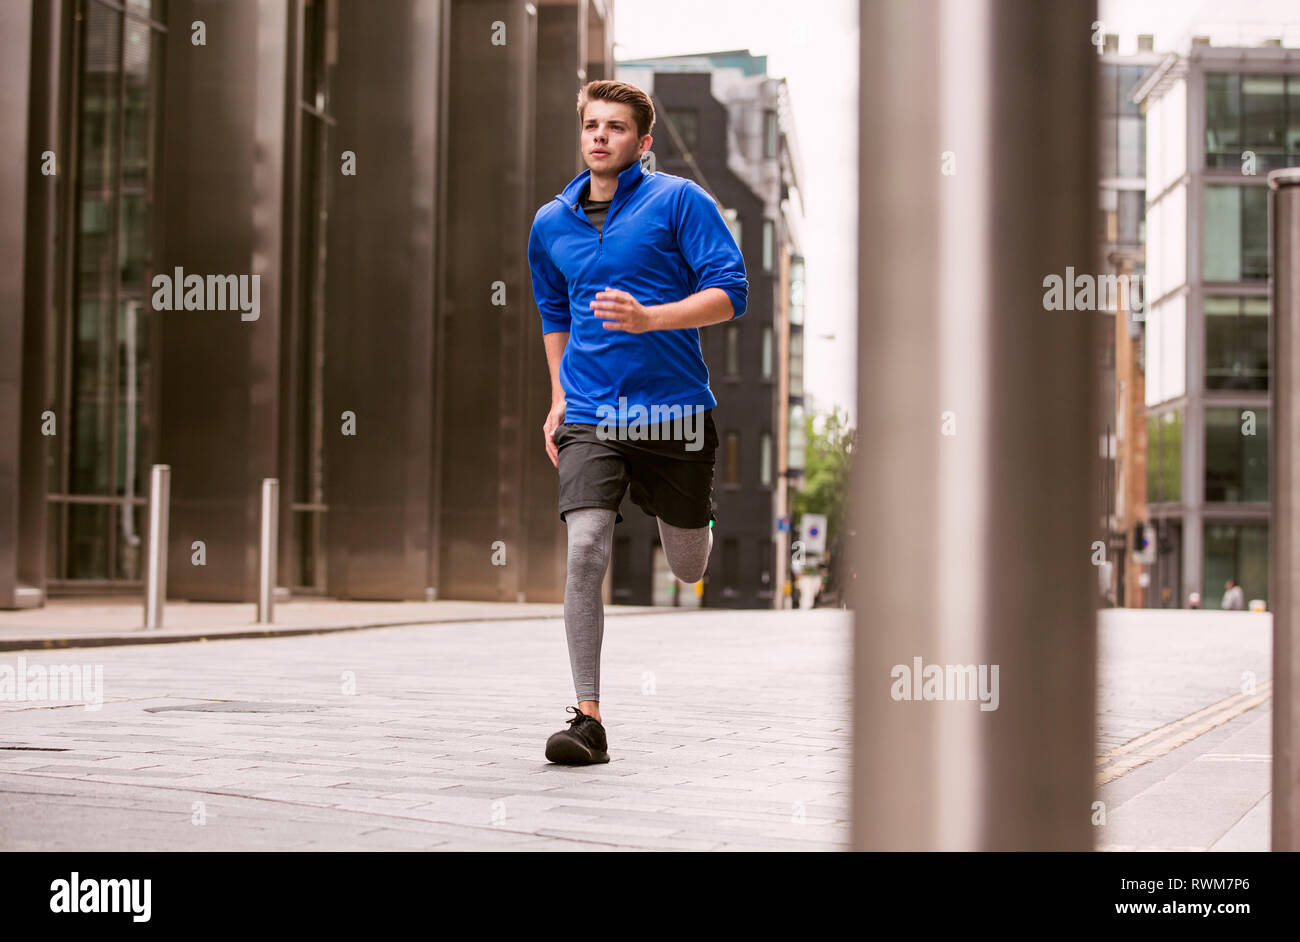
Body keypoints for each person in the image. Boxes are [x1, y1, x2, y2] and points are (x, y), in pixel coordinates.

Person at [527, 80, 748, 765]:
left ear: (642, 142)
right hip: (593, 413)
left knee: (687, 566)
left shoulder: (678, 201)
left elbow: (730, 293)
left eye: (616, 127)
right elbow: (554, 314)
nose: (600, 136)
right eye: (591, 125)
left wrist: (653, 317)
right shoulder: (550, 222)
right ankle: (586, 717)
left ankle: (686, 515)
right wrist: (560, 397)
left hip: (675, 412)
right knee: (586, 545)